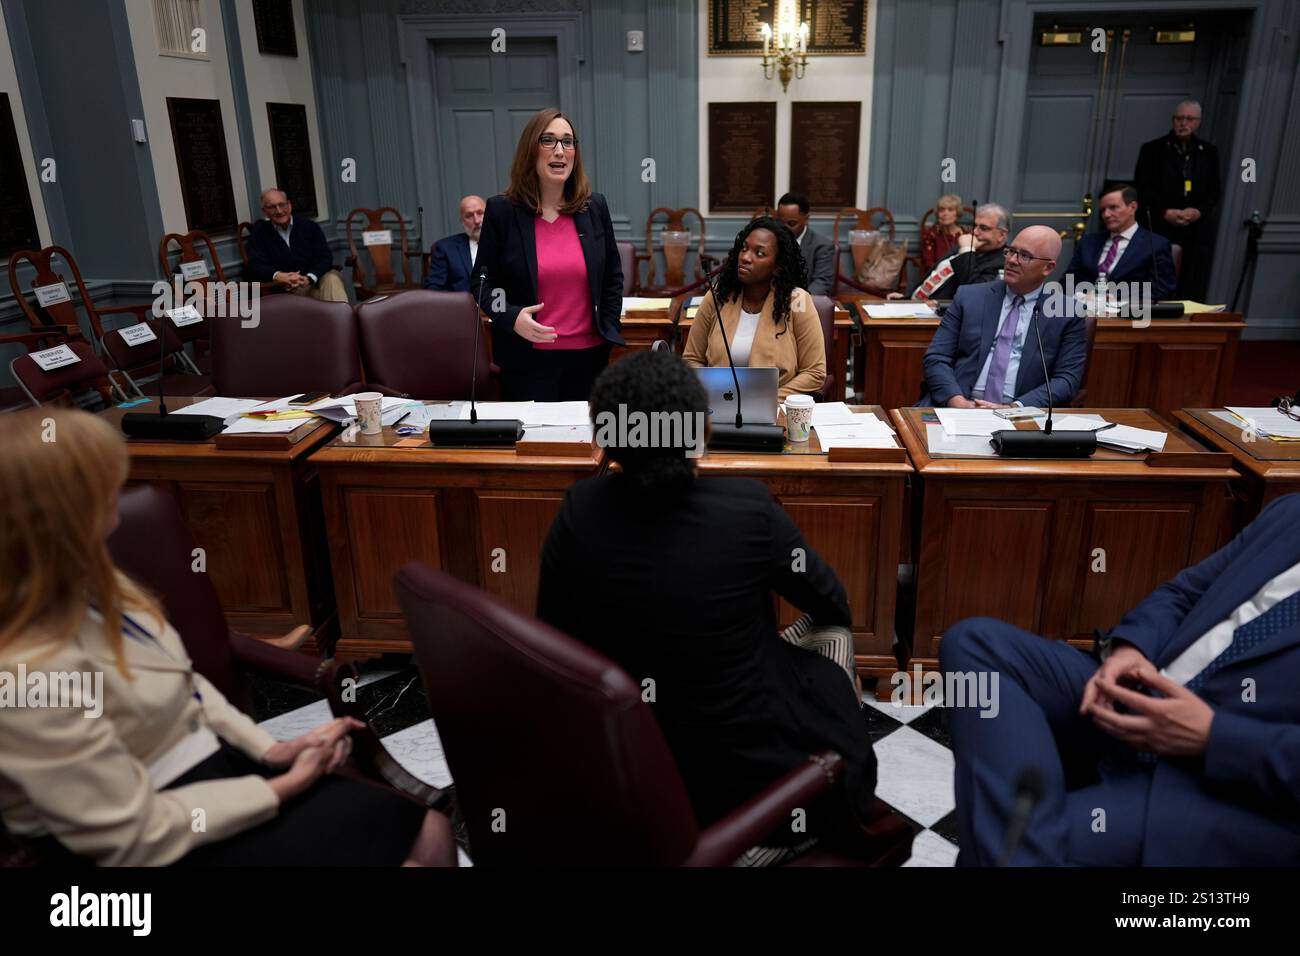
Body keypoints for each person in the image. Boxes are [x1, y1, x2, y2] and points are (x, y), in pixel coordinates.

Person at [0, 409, 455, 867]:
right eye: (99, 492)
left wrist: (272, 749)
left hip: (215, 764)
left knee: (428, 829)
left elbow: (186, 681)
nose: (115, 504)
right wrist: (288, 785)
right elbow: (137, 834)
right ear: (52, 523)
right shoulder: (24, 679)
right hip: (154, 831)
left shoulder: (92, 580)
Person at [538, 349, 878, 865]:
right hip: (747, 806)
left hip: (623, 780)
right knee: (833, 632)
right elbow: (833, 602)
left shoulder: (577, 510)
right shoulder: (747, 506)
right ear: (700, 428)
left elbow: (554, 642)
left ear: (605, 435)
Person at [942, 492, 1300, 865]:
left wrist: (1211, 736)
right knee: (974, 645)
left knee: (1004, 845)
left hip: (1225, 781)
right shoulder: (1291, 512)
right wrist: (1132, 650)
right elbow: (1183, 593)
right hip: (1133, 692)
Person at [472, 108, 623, 402]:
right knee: (535, 447)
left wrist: (608, 327)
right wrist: (512, 317)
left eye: (568, 142)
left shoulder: (595, 208)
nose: (560, 151)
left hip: (590, 360)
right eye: (548, 141)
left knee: (588, 445)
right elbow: (482, 282)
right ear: (531, 150)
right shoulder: (503, 211)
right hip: (527, 361)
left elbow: (612, 277)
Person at [919, 225, 1087, 408]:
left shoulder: (1066, 312)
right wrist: (958, 401)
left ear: (1048, 268)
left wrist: (1014, 409)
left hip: (1022, 415)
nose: (1012, 261)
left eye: (1025, 256)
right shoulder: (969, 297)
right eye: (1011, 251)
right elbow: (936, 357)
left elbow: (1067, 379)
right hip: (959, 405)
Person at [683, 216, 825, 401]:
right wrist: (714, 395)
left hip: (775, 408)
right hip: (718, 406)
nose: (745, 257)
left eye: (759, 253)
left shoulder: (797, 301)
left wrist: (766, 399)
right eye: (744, 248)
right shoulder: (719, 295)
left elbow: (814, 372)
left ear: (778, 267)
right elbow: (692, 359)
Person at [1134, 99, 1221, 301]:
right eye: (1179, 118)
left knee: (1189, 278)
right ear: (1173, 120)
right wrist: (1165, 211)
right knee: (1153, 274)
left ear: (1198, 121)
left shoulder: (1208, 152)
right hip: (1159, 223)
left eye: (1189, 119)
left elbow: (1214, 192)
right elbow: (1142, 188)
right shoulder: (1152, 149)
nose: (1184, 123)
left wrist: (1199, 211)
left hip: (1194, 228)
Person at [1065, 184, 1176, 300]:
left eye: (1113, 208)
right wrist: (1079, 296)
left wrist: (1114, 298)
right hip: (1083, 309)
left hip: (1127, 313)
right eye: (1103, 210)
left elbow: (1163, 289)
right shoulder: (1088, 242)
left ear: (1132, 207)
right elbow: (1067, 282)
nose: (1106, 215)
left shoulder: (1156, 245)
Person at [245, 188, 348, 302]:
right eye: (272, 207)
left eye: (281, 204)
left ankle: (339, 317)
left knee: (332, 278)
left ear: (289, 205)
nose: (279, 211)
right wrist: (278, 275)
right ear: (265, 211)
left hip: (315, 279)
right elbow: (255, 265)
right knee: (325, 299)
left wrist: (309, 278)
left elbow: (325, 258)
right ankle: (343, 317)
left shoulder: (309, 227)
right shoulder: (259, 233)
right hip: (287, 289)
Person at [894, 203, 1010, 302]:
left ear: (1002, 235)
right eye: (974, 226)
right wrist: (906, 299)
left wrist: (966, 250)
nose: (975, 232)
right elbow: (935, 277)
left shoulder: (1002, 263)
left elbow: (972, 292)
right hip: (915, 305)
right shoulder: (967, 244)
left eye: (983, 228)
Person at [775, 192, 835, 295]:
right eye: (780, 222)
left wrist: (798, 301)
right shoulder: (770, 240)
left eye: (791, 224)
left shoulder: (822, 246)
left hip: (803, 303)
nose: (784, 228)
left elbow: (821, 283)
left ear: (806, 219)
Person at [425, 194, 485, 292]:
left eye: (480, 213)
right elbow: (433, 289)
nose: (477, 221)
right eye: (469, 216)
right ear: (462, 221)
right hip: (463, 305)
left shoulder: (507, 243)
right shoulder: (446, 248)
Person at [919, 193, 966, 273]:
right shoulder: (931, 234)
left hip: (960, 275)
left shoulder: (965, 234)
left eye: (950, 210)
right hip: (937, 275)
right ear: (937, 213)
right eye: (941, 210)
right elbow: (928, 262)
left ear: (957, 213)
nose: (945, 214)